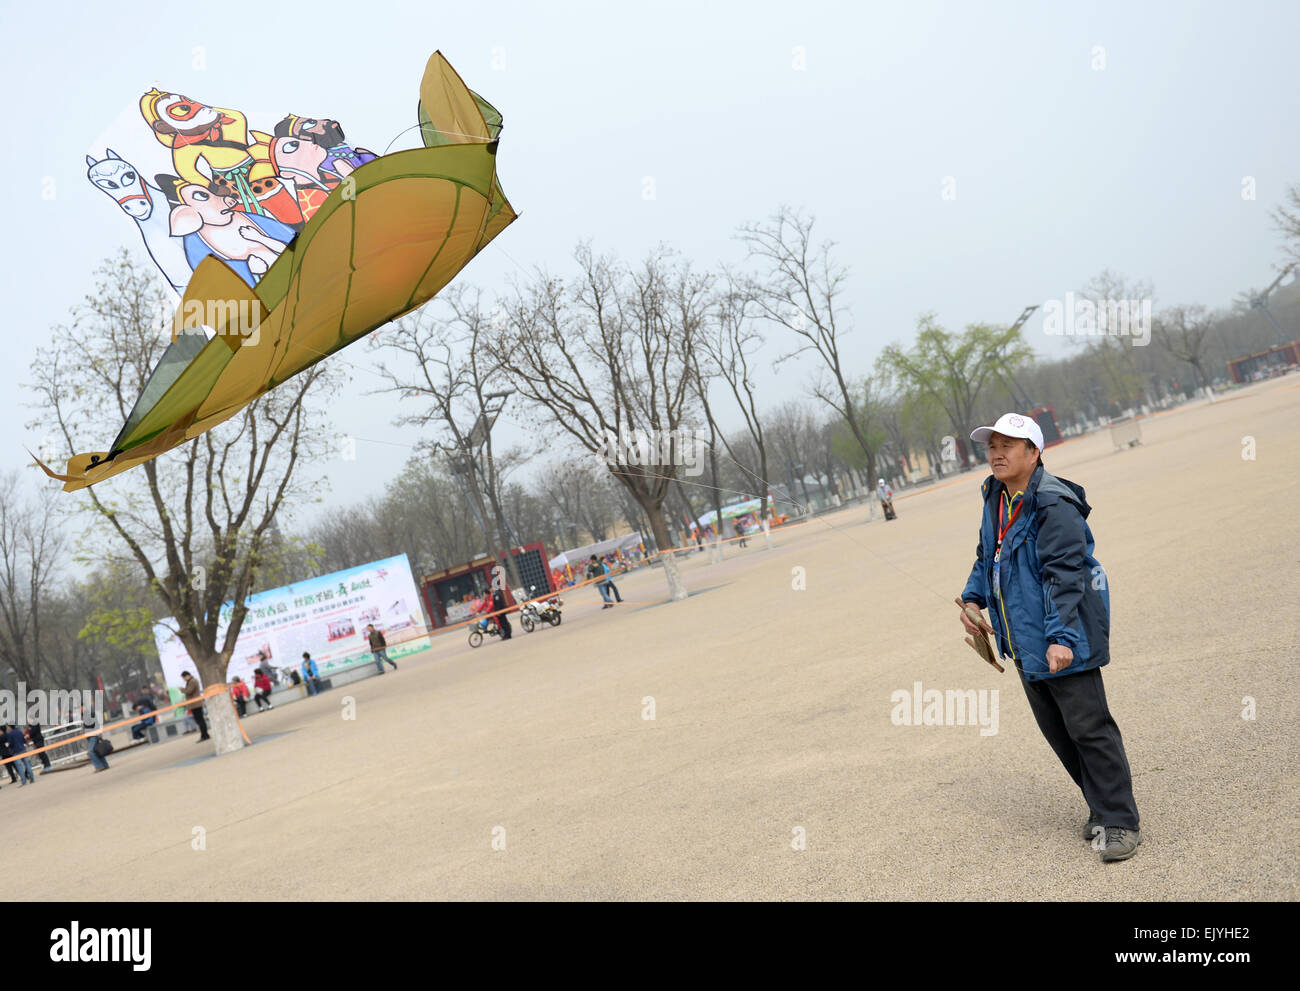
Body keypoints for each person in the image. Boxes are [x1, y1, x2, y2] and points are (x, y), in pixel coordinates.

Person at [959, 412, 1141, 863]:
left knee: (1089, 728)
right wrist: (972, 599)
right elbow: (988, 555)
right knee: (1059, 733)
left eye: (1008, 445)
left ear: (1034, 452)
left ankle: (1120, 821)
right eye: (992, 446)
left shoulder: (1053, 502)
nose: (996, 453)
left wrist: (1061, 638)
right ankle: (1100, 808)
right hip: (1022, 641)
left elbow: (1066, 576)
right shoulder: (995, 496)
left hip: (1063, 638)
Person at [180, 671, 211, 743]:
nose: (184, 679)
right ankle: (205, 734)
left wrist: (182, 690)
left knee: (200, 720)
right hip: (194, 704)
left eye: (184, 678)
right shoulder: (191, 681)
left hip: (195, 704)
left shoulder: (192, 681)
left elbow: (189, 691)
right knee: (199, 720)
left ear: (187, 676)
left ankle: (204, 735)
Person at [82, 707, 110, 773]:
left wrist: (98, 732)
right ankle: (105, 765)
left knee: (91, 752)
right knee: (97, 751)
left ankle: (99, 766)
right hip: (91, 735)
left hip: (93, 735)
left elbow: (96, 723)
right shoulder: (85, 714)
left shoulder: (89, 713)